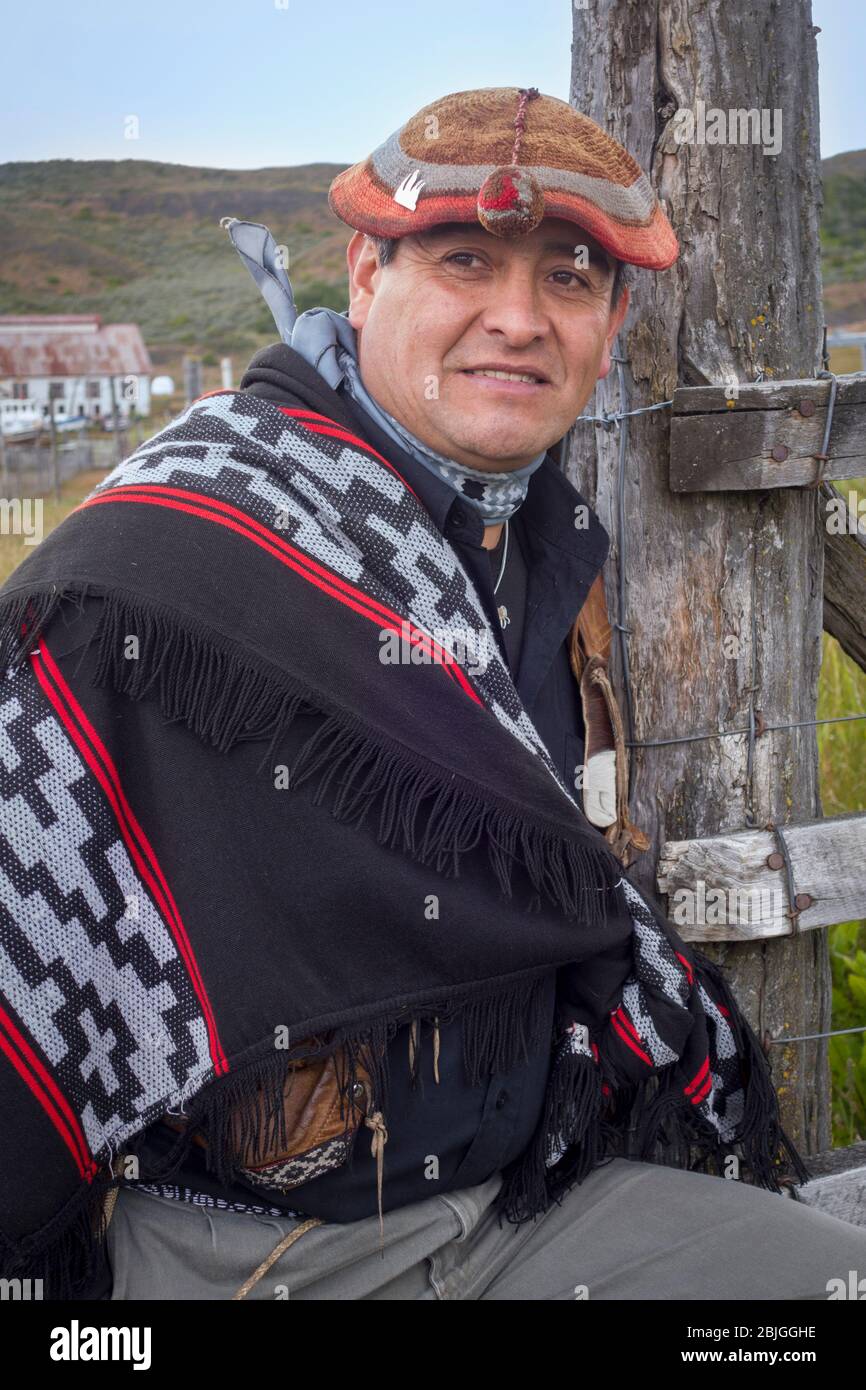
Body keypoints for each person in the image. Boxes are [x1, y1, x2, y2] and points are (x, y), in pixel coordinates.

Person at [2, 86, 865, 1303]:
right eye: (464, 261)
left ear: (610, 324)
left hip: (524, 1202)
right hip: (257, 1251)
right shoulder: (170, 556)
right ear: (364, 277)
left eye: (568, 279)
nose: (516, 319)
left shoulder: (543, 547)